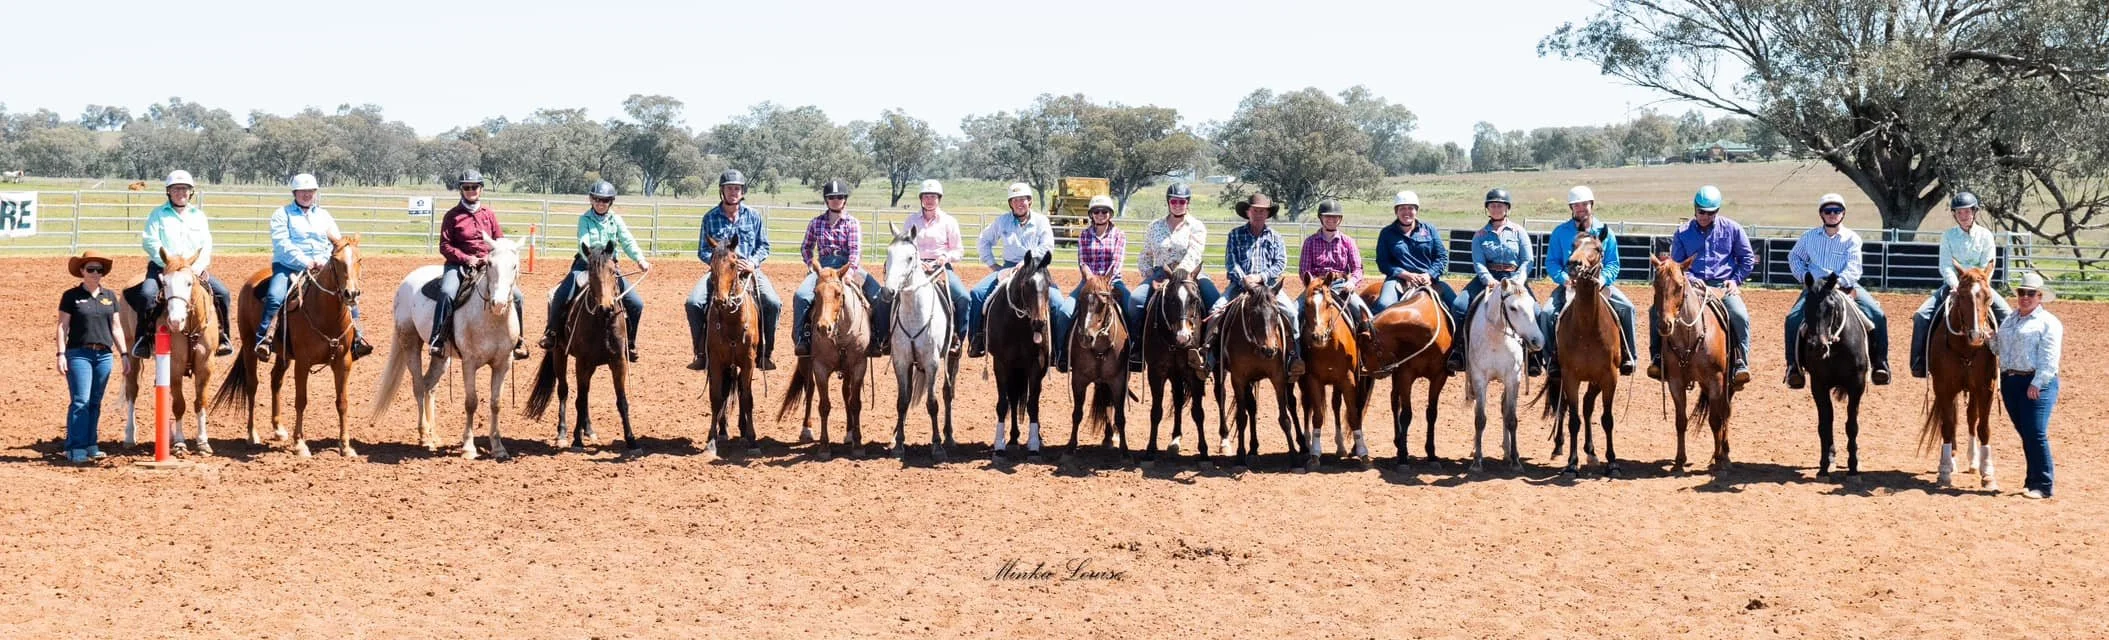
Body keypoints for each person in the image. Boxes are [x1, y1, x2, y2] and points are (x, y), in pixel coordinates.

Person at [254, 173, 374, 362]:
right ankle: (264, 339)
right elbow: (282, 243)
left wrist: (324, 259)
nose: (307, 195)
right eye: (303, 191)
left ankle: (358, 337)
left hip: (322, 265)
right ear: (295, 192)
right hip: (288, 266)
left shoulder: (323, 216)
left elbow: (337, 242)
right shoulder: (282, 214)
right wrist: (305, 260)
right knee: (276, 295)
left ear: (315, 193)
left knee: (349, 294)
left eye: (311, 191)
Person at [1784, 193, 1892, 387]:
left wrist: (1839, 282)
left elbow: (1854, 266)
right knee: (1792, 319)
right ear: (1821, 214)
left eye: (1837, 211)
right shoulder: (1809, 237)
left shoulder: (1852, 239)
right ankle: (1794, 367)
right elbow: (1794, 258)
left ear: (1843, 214)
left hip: (1845, 286)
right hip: (1816, 289)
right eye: (1828, 211)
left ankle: (1880, 364)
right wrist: (1805, 278)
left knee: (1877, 314)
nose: (1833, 214)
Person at [1657, 185, 1756, 386]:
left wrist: (1735, 280)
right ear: (1695, 209)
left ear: (1717, 212)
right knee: (1657, 311)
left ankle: (1740, 362)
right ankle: (1658, 359)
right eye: (1701, 211)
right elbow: (1676, 263)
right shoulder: (1682, 232)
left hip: (1723, 286)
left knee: (1739, 315)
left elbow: (1747, 259)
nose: (1704, 216)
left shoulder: (1733, 229)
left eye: (1710, 213)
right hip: (1691, 286)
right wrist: (1691, 278)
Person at [685, 169, 782, 371]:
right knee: (693, 302)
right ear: (722, 191)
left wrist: (753, 263)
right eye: (729, 188)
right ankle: (700, 353)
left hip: (749, 271)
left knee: (772, 302)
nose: (733, 192)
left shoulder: (754, 216)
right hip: (720, 273)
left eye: (737, 188)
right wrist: (717, 265)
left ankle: (766, 352)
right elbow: (703, 251)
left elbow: (764, 245)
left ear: (742, 191)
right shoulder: (710, 218)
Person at [542, 180, 649, 362]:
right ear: (591, 200)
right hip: (585, 265)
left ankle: (630, 343)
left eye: (605, 200)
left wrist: (640, 259)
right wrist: (592, 260)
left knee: (636, 304)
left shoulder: (616, 220)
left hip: (608, 269)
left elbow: (628, 241)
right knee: (559, 295)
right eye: (597, 199)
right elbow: (583, 242)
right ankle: (552, 332)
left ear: (611, 202)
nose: (601, 203)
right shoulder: (584, 220)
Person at [130, 169, 233, 358]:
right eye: (176, 189)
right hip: (163, 267)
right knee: (146, 295)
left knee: (223, 294)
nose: (181, 193)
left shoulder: (199, 216)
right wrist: (169, 263)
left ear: (190, 192)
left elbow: (206, 244)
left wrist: (196, 267)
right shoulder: (158, 214)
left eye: (185, 189)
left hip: (192, 269)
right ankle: (143, 340)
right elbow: (150, 241)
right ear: (168, 191)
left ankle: (223, 336)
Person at [1910, 191, 2013, 378]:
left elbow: (1988, 264)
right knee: (1921, 316)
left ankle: (2009, 362)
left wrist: (1979, 285)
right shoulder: (1948, 236)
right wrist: (1955, 285)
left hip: (1980, 286)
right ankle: (1920, 362)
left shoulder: (1985, 236)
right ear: (1955, 215)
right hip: (1954, 286)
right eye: (1959, 212)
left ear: (1974, 212)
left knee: (2008, 315)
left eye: (1967, 211)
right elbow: (1946, 265)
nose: (1963, 216)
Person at [1539, 186, 1639, 377]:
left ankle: (1628, 356)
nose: (1581, 208)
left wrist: (1602, 279)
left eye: (1584, 204)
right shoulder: (1560, 232)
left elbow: (1613, 263)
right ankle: (1552, 360)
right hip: (1569, 286)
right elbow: (1551, 262)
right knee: (1546, 313)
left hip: (1597, 285)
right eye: (1576, 205)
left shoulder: (1605, 232)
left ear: (1591, 205)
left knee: (1627, 308)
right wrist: (1564, 279)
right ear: (1571, 208)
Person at [430, 170, 528, 360]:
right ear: (461, 190)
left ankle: (518, 340)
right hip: (458, 265)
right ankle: (438, 339)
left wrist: (499, 255)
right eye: (466, 187)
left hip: (487, 265)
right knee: (447, 292)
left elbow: (498, 240)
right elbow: (445, 246)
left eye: (474, 187)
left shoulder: (488, 215)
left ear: (481, 189)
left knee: (517, 296)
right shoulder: (452, 216)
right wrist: (467, 258)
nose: (471, 190)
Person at [968, 182, 1070, 359]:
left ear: (1030, 201)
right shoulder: (1002, 221)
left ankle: (1056, 349)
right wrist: (993, 265)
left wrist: (1026, 262)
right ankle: (977, 340)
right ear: (1010, 203)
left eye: (1022, 199)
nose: (1019, 203)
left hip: (1036, 269)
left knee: (1057, 303)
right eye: (1014, 200)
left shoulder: (1041, 221)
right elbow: (983, 240)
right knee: (977, 293)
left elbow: (1047, 246)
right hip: (1008, 269)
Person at [1446, 188, 1541, 376]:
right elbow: (1479, 262)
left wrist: (1518, 280)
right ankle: (1459, 351)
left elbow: (1527, 260)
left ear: (1507, 208)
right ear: (1487, 209)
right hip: (1488, 278)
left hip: (1515, 278)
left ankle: (1534, 356)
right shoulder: (1480, 235)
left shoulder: (1519, 232)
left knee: (1536, 310)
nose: (1496, 208)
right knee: (1459, 305)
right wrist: (1488, 280)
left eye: (1500, 205)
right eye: (1493, 205)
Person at [1204, 193, 1301, 376]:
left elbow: (1280, 263)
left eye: (1262, 211)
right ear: (1248, 212)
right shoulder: (1235, 234)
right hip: (1240, 286)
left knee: (1292, 312)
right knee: (1215, 311)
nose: (1258, 214)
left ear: (1267, 214)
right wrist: (1244, 279)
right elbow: (1231, 261)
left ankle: (1294, 357)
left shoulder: (1275, 237)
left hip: (1268, 288)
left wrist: (1261, 277)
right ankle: (1208, 357)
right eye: (1255, 210)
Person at [793, 179, 887, 359]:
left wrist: (849, 273)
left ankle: (876, 337)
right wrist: (812, 265)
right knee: (802, 296)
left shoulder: (852, 223)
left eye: (839, 197)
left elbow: (855, 251)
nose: (836, 200)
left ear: (845, 199)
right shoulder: (816, 222)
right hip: (824, 268)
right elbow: (806, 247)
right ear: (826, 200)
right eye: (832, 197)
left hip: (848, 267)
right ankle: (802, 338)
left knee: (878, 296)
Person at [1130, 182, 1219, 372]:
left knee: (1215, 303)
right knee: (1135, 300)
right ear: (1168, 202)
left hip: (1191, 274)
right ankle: (1137, 349)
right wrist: (1149, 275)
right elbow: (1145, 254)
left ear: (1188, 203)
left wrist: (1176, 277)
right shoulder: (1154, 226)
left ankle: (1210, 352)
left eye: (1182, 201)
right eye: (1174, 201)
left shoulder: (1196, 226)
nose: (1178, 205)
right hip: (1160, 273)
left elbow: (1194, 253)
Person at [1993, 271, 2061, 499]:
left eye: (2030, 294)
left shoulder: (2048, 322)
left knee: (2036, 433)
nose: (2025, 297)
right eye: (2022, 292)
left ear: (2039, 296)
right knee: (2027, 433)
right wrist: (1989, 339)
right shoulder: (2010, 319)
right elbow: (2000, 350)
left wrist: (2038, 383)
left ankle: (2043, 485)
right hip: (2011, 382)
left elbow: (2050, 358)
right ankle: (2031, 481)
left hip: (2036, 383)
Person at [57, 251, 126, 464]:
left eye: (99, 270)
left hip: (104, 355)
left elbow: (116, 327)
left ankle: (90, 444)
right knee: (81, 401)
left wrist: (124, 353)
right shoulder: (71, 296)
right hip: (79, 353)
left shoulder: (110, 296)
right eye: (91, 269)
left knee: (95, 402)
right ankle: (75, 446)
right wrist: (61, 353)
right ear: (81, 272)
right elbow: (62, 327)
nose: (96, 273)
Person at [1058, 195, 1132, 373]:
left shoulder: (1118, 235)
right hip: (1088, 283)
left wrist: (1104, 282)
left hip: (1112, 283)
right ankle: (1062, 354)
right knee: (1064, 312)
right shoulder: (1084, 235)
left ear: (1110, 214)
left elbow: (1117, 262)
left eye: (1104, 211)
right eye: (1096, 211)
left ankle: (1134, 351)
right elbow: (1083, 262)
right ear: (1091, 214)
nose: (1100, 214)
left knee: (1132, 307)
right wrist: (1092, 281)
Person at [903, 179, 972, 352]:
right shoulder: (911, 220)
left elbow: (959, 250)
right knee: (893, 294)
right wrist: (917, 262)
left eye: (933, 196)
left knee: (964, 298)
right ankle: (890, 336)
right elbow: (904, 246)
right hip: (915, 268)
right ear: (921, 199)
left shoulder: (949, 221)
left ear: (939, 199)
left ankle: (957, 337)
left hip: (940, 269)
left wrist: (945, 257)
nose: (929, 200)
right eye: (926, 196)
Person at [1299, 199, 1376, 348]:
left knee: (1366, 316)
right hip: (1316, 287)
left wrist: (1352, 282)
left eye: (1335, 217)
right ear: (1321, 218)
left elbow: (1357, 269)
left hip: (1341, 286)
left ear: (1340, 219)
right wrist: (1314, 284)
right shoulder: (1310, 242)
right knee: (1295, 313)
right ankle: (1295, 357)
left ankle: (1366, 355)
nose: (1331, 220)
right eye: (1327, 217)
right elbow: (1304, 270)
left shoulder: (1348, 242)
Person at [1374, 190, 1457, 325]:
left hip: (1429, 280)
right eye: (1402, 208)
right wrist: (1405, 274)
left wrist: (1429, 275)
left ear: (1416, 210)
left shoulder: (1429, 230)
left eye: (1411, 208)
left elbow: (1441, 256)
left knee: (1458, 307)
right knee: (1383, 305)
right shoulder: (1387, 233)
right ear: (1396, 211)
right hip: (1398, 280)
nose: (1407, 212)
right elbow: (1383, 262)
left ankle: (1459, 343)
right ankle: (1374, 342)